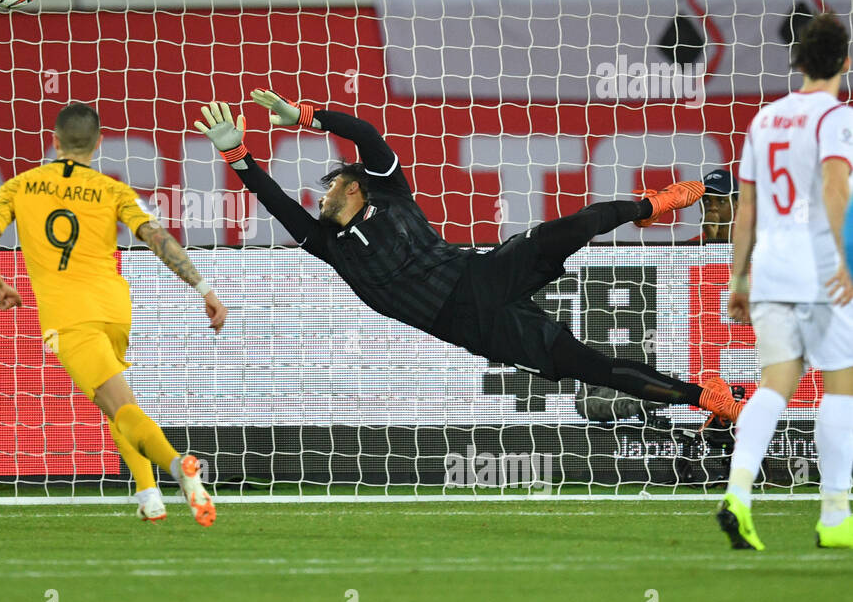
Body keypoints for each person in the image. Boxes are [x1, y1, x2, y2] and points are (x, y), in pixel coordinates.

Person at [195, 89, 744, 426]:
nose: (323, 193)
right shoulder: (326, 243)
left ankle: (653, 202)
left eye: (333, 182)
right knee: (589, 366)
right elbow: (274, 200)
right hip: (469, 327)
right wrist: (236, 154)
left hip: (473, 278)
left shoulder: (387, 191)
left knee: (563, 230)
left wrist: (306, 117)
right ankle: (705, 397)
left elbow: (365, 133)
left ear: (355, 186)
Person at [0, 102, 226, 525]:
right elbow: (157, 237)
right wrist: (203, 288)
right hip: (114, 309)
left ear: (54, 140)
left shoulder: (20, 185)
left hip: (68, 319)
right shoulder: (113, 190)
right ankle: (149, 497)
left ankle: (178, 467)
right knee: (115, 403)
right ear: (99, 143)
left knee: (120, 407)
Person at [721, 12, 853, 550]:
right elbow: (835, 188)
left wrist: (737, 278)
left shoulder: (764, 120)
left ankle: (738, 491)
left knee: (777, 384)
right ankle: (835, 514)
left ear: (797, 61)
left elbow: (746, 205)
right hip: (822, 271)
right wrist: (846, 260)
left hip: (771, 270)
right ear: (845, 63)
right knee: (841, 387)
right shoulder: (835, 118)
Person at [694, 168, 738, 244]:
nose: (713, 207)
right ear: (701, 207)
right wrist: (710, 238)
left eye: (722, 201)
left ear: (736, 206)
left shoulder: (751, 242)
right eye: (706, 201)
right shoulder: (690, 247)